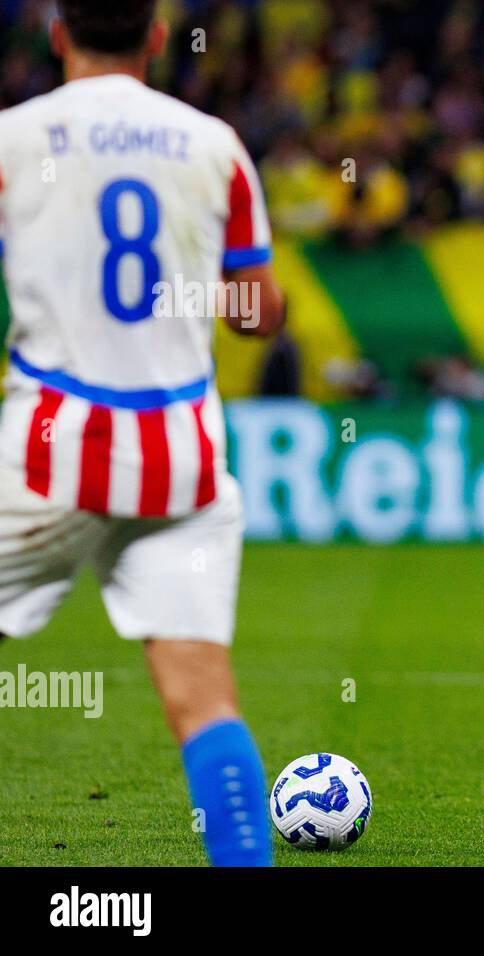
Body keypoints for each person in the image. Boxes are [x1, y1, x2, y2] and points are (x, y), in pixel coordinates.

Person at [0, 0, 284, 866]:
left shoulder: (14, 138)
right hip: (184, 456)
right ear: (157, 38)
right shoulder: (214, 145)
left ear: (57, 35)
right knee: (203, 699)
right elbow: (257, 315)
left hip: (52, 444)